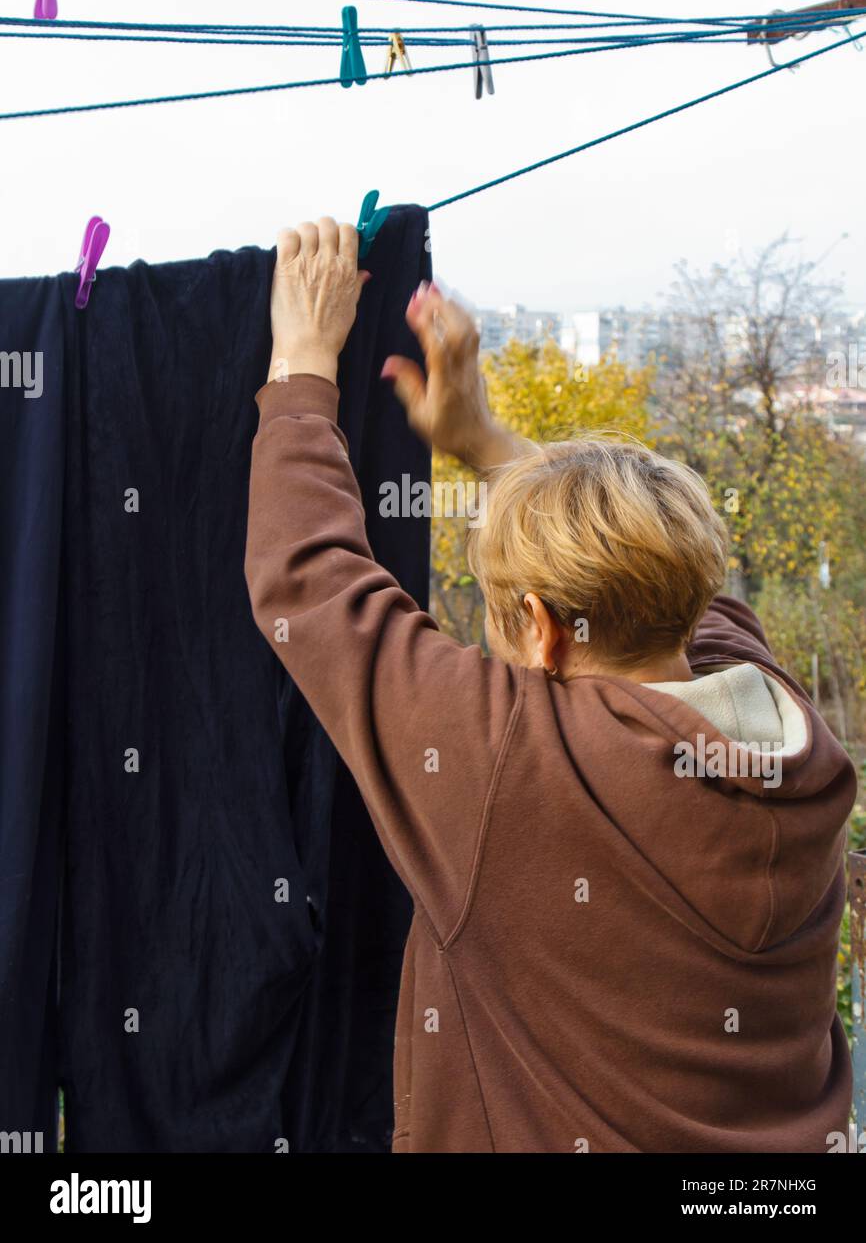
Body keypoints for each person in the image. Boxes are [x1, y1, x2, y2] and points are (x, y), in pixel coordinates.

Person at [244, 217, 856, 1154]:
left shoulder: (508, 765)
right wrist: (483, 440)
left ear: (536, 629)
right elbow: (648, 558)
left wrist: (299, 357)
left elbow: (307, 577)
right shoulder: (785, 722)